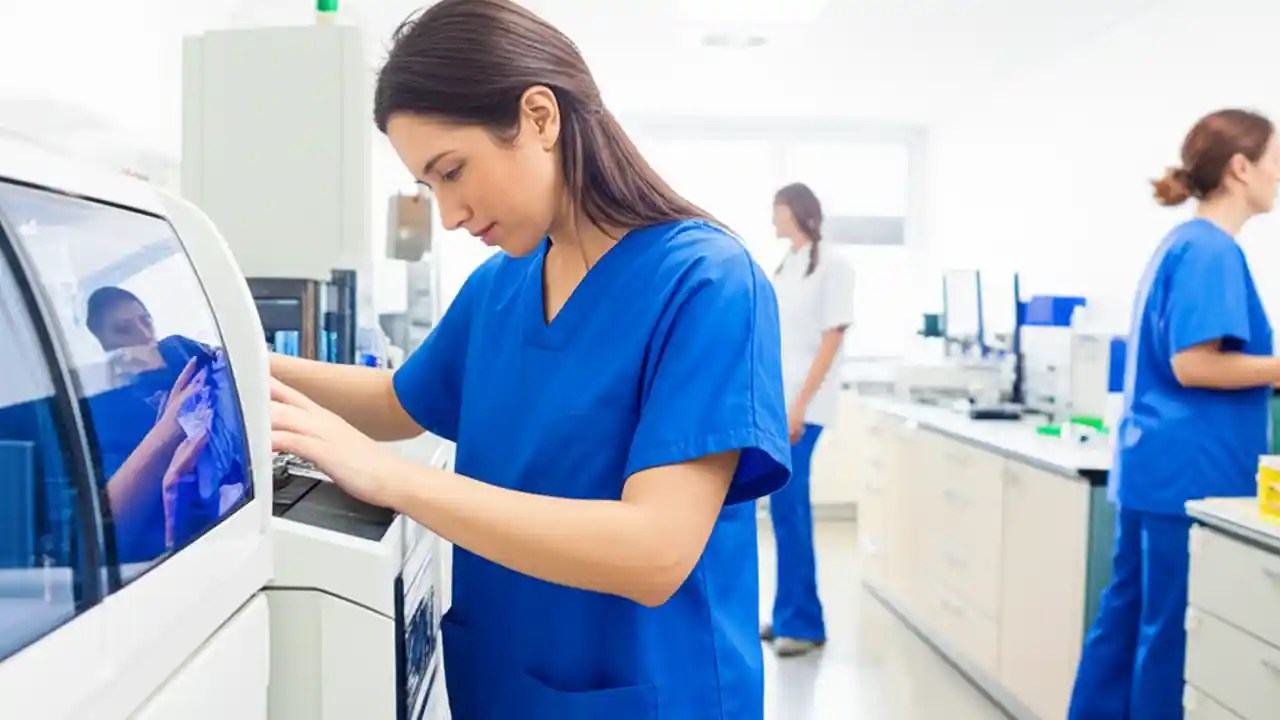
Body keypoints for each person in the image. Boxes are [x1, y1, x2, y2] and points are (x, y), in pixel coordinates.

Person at [268, 1, 792, 718]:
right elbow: (399, 401)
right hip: (507, 683)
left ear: (539, 117)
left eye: (453, 171)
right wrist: (245, 359)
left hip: (651, 691)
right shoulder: (501, 285)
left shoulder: (705, 282)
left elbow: (654, 552)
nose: (448, 214)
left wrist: (393, 482)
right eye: (429, 187)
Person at [1068, 108, 1280, 720]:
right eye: (1273, 160)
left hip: (1157, 470)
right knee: (1169, 636)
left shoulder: (1185, 243)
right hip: (1192, 473)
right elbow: (1195, 364)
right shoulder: (1212, 250)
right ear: (1241, 168)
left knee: (1129, 622)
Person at [759, 183, 853, 658]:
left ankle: (804, 622)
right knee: (782, 510)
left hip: (805, 408)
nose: (773, 219)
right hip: (783, 403)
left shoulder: (833, 265)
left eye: (777, 211)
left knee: (791, 510)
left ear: (796, 211)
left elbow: (831, 340)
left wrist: (798, 406)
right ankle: (790, 612)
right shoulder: (789, 265)